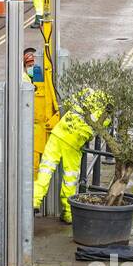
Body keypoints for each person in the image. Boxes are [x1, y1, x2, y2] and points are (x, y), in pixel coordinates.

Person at [32, 88, 109, 224]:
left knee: (45, 169)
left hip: (59, 132)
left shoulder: (88, 92)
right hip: (74, 143)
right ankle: (68, 212)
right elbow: (96, 131)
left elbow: (68, 103)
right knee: (70, 177)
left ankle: (34, 201)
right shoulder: (107, 112)